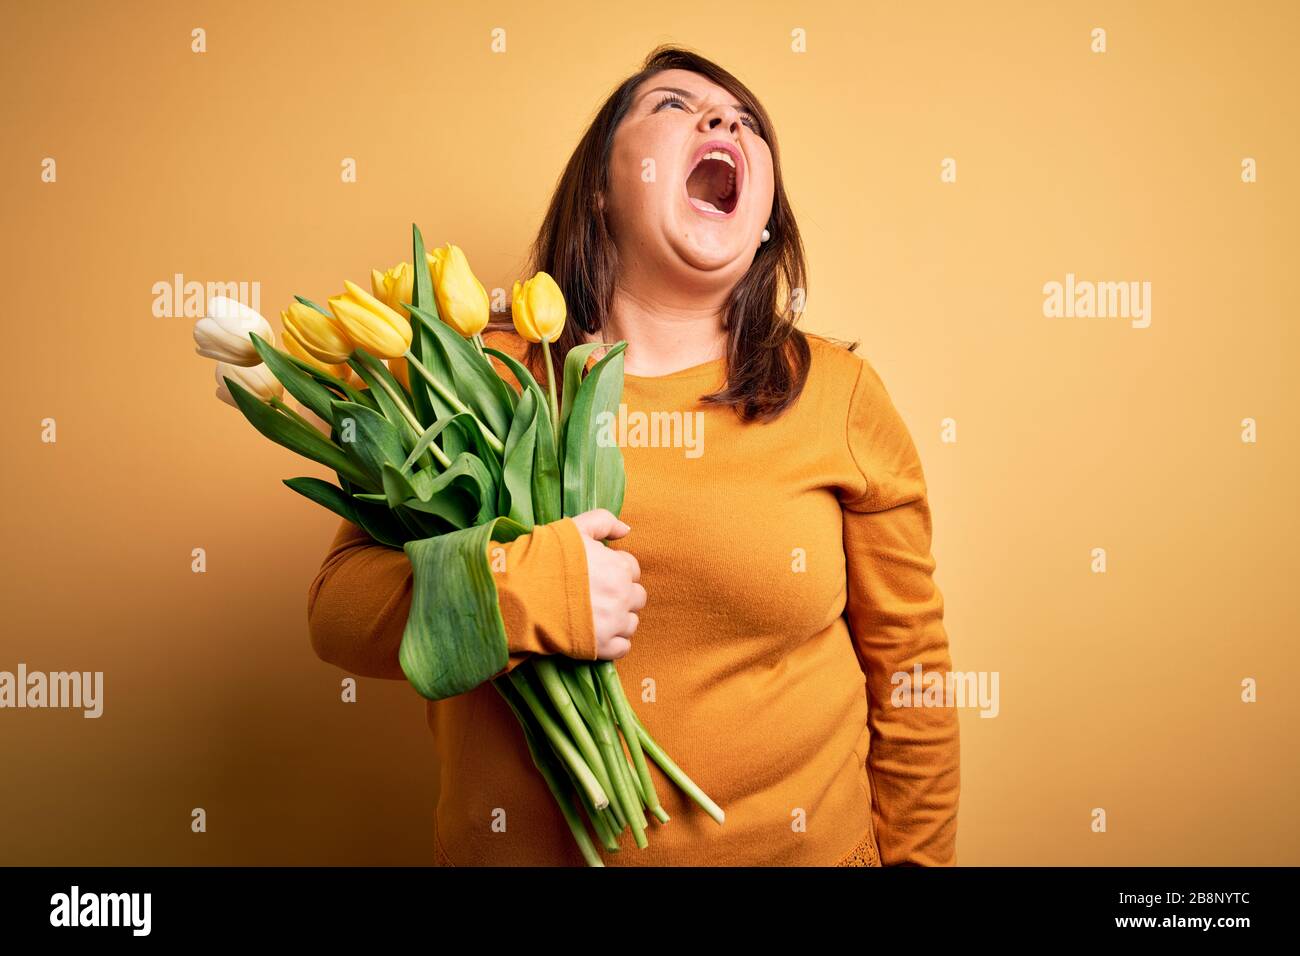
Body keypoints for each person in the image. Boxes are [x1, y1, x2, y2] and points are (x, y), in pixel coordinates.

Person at [307, 44, 960, 866]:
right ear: (601, 190)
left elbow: (914, 676)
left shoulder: (837, 394)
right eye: (673, 106)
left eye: (747, 122)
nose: (723, 119)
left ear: (763, 222)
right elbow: (339, 614)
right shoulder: (476, 376)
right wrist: (528, 589)